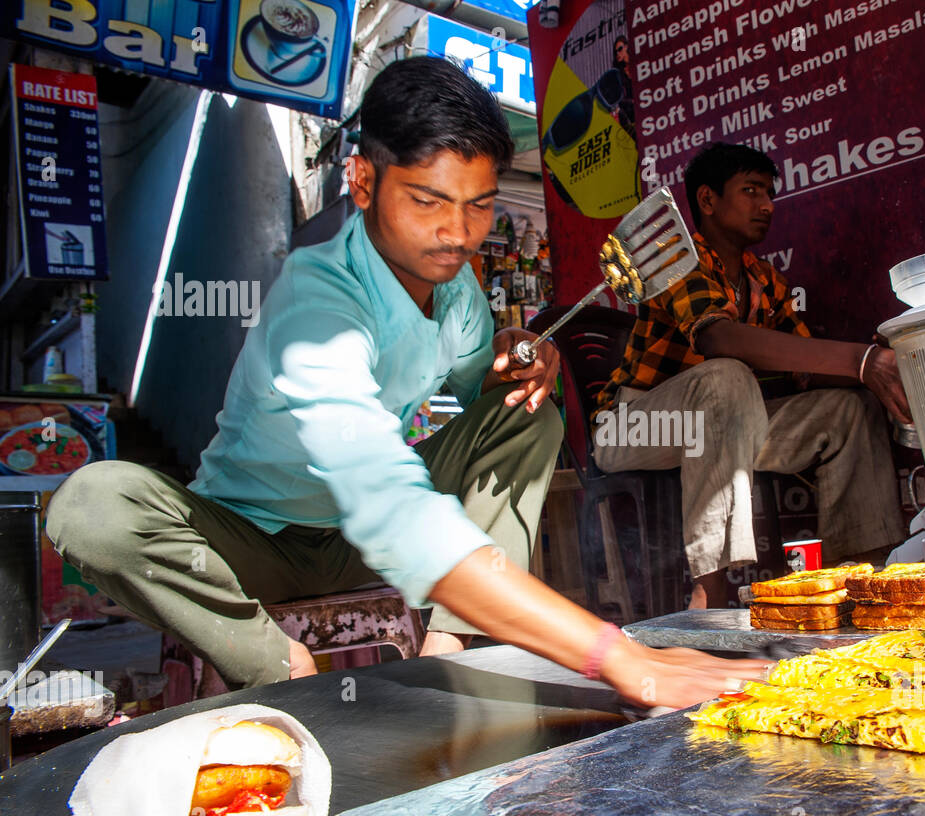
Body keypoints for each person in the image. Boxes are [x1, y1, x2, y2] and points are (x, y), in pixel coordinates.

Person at [45, 57, 767, 708]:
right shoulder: (318, 307)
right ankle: (276, 664)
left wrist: (505, 363)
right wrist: (618, 655)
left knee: (526, 415)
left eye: (479, 204)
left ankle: (449, 646)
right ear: (363, 181)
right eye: (429, 200)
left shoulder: (458, 296)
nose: (457, 233)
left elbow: (431, 413)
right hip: (254, 542)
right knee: (95, 506)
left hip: (357, 542)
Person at [593, 142, 911, 608]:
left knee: (848, 408)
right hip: (631, 426)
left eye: (769, 193)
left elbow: (804, 371)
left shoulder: (766, 281)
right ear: (707, 200)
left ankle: (860, 577)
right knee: (725, 375)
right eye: (751, 191)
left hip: (719, 424)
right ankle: (711, 593)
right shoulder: (676, 260)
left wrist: (887, 366)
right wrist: (859, 361)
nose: (766, 205)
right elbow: (716, 339)